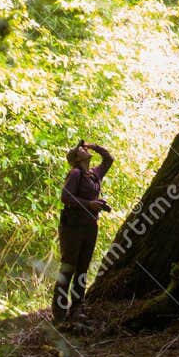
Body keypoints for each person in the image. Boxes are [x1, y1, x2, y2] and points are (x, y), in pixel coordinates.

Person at [52, 139, 113, 326]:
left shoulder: (94, 174)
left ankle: (77, 308)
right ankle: (59, 313)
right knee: (68, 266)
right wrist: (89, 204)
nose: (84, 149)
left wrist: (94, 146)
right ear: (77, 158)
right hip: (73, 227)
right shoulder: (76, 173)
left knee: (83, 268)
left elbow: (109, 159)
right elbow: (65, 197)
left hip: (90, 226)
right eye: (81, 149)